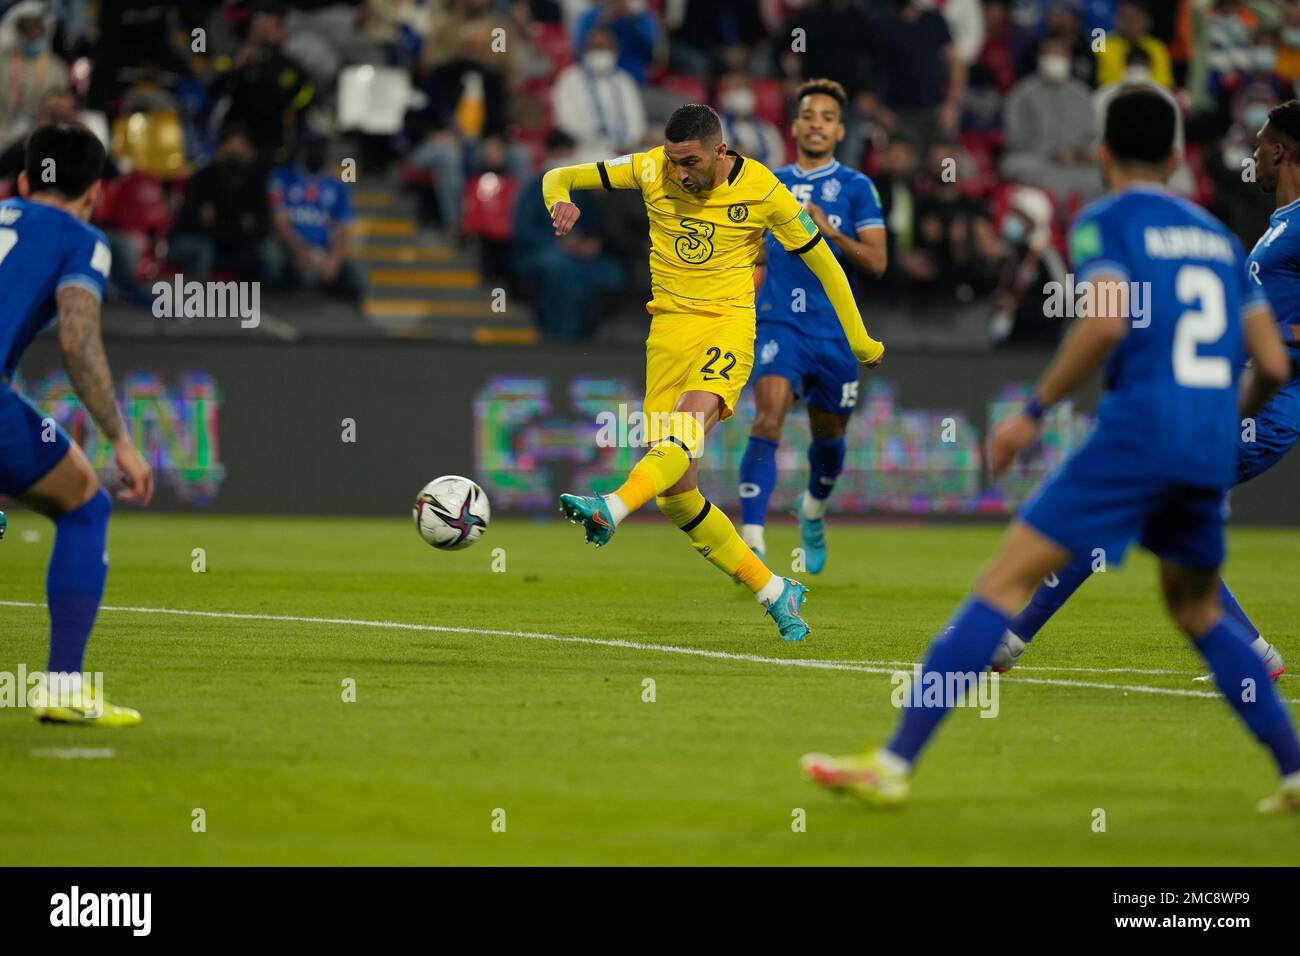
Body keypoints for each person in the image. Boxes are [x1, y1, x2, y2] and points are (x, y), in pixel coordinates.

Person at [802, 87, 1300, 814]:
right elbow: (1274, 361)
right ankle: (1292, 770)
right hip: (1200, 441)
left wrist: (1031, 412)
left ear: (1102, 154)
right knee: (1194, 612)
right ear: (1174, 157)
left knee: (1001, 583)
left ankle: (892, 761)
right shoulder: (1218, 236)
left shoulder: (1105, 220)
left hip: (1138, 433)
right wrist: (1226, 424)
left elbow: (1100, 326)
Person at [543, 104, 885, 641]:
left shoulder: (765, 191)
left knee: (688, 426)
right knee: (677, 498)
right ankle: (774, 590)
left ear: (720, 152)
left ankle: (610, 505)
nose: (680, 173)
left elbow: (824, 262)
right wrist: (559, 200)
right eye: (674, 161)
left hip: (728, 327)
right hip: (667, 336)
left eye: (691, 162)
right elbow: (558, 174)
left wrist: (860, 338)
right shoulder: (651, 168)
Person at [988, 99, 1300, 685]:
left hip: (1261, 411)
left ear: (1280, 151)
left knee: (1115, 503)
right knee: (1157, 519)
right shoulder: (1279, 225)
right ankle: (1253, 659)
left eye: (1260, 143)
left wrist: (1278, 349)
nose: (1252, 154)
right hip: (1224, 404)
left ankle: (1006, 637)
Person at [0, 122, 154, 725]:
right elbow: (78, 340)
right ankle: (63, 688)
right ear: (94, 193)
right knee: (85, 506)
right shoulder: (80, 238)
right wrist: (121, 441)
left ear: (20, 180)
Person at [736, 79, 886, 572]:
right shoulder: (767, 182)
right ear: (795, 124)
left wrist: (829, 232)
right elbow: (749, 248)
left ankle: (813, 509)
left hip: (837, 331)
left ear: (839, 130)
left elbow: (878, 261)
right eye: (808, 115)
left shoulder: (857, 186)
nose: (816, 123)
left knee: (828, 437)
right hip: (780, 321)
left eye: (826, 117)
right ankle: (752, 541)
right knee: (768, 416)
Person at [512, 130, 624, 341]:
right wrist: (560, 244)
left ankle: (591, 336)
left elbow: (594, 228)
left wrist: (591, 243)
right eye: (560, 152)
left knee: (612, 272)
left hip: (578, 254)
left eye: (569, 152)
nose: (565, 157)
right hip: (541, 251)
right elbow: (523, 230)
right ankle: (559, 337)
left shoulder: (582, 190)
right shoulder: (533, 188)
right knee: (562, 270)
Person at [269, 133, 365, 303]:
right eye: (313, 148)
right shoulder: (283, 177)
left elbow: (345, 229)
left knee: (356, 271)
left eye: (321, 149)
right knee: (271, 260)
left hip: (324, 250)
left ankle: (352, 318)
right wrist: (300, 250)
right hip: (288, 247)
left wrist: (333, 261)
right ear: (302, 150)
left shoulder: (337, 185)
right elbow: (280, 222)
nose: (317, 153)